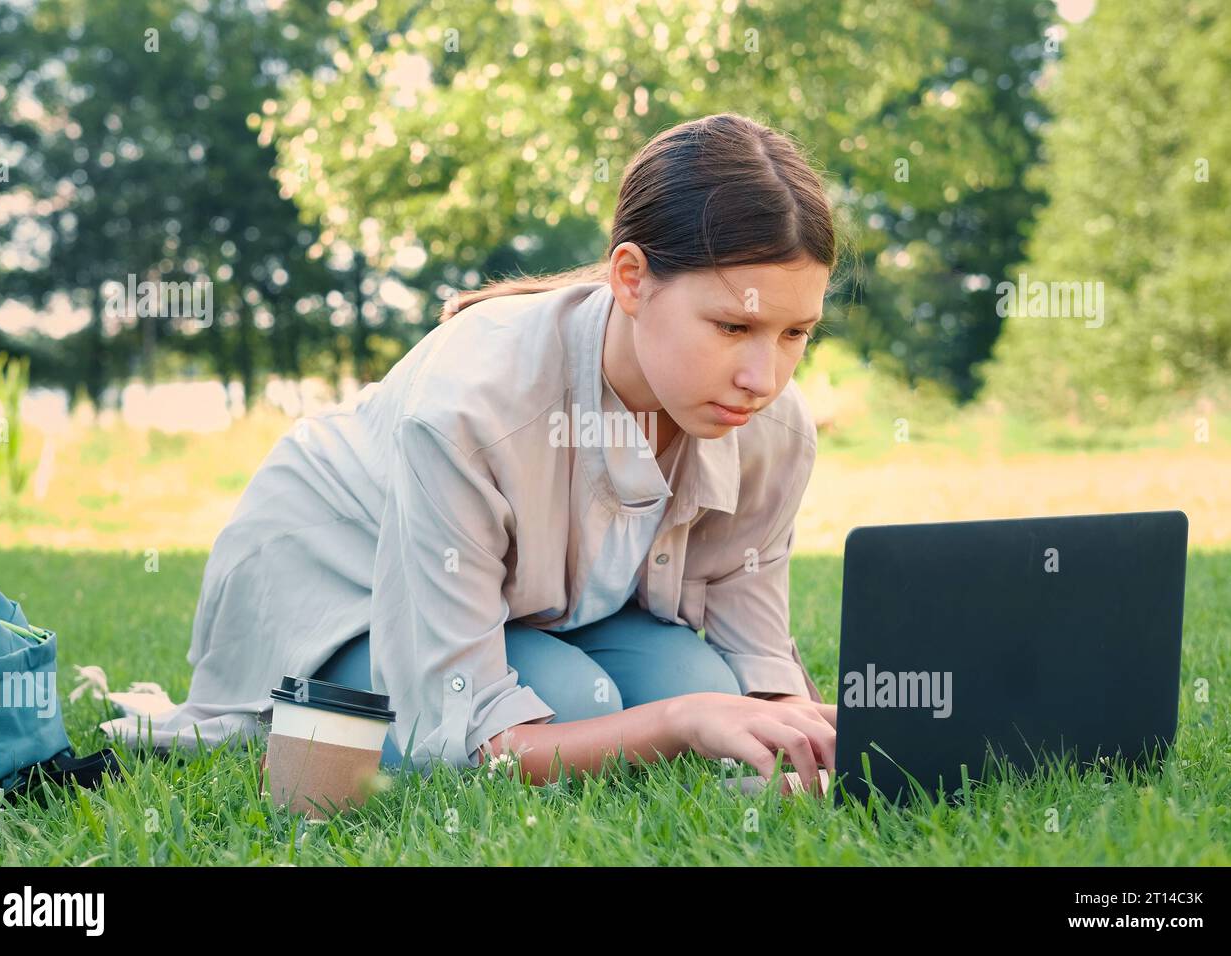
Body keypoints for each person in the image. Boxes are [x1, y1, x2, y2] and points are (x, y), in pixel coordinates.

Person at [134, 112, 841, 796]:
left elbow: (755, 648)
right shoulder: (470, 405)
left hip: (527, 605)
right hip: (340, 578)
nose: (764, 378)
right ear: (631, 278)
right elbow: (477, 741)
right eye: (732, 326)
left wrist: (803, 737)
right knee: (581, 705)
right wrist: (678, 723)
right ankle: (306, 715)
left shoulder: (773, 428)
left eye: (793, 333)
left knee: (709, 687)